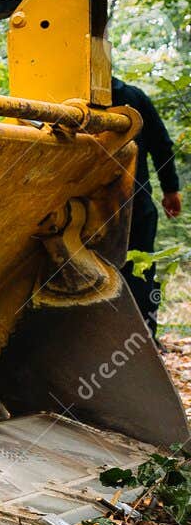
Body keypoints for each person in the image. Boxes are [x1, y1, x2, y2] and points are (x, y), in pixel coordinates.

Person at [111, 76, 181, 336]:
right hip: (134, 206)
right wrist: (170, 189)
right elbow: (162, 145)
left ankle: (143, 340)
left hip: (123, 208)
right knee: (140, 272)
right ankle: (144, 339)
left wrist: (171, 188)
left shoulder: (134, 97)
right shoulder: (133, 96)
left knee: (140, 271)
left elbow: (162, 145)